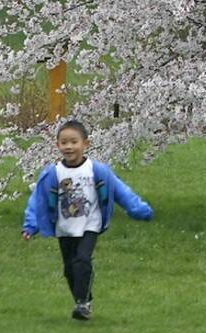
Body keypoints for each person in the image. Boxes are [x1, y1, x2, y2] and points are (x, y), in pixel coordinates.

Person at [22, 120, 154, 320]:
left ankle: (82, 304)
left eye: (74, 142)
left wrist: (139, 210)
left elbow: (120, 191)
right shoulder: (53, 173)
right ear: (57, 145)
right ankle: (84, 299)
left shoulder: (97, 171)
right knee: (69, 269)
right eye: (64, 142)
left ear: (86, 144)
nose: (69, 147)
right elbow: (37, 201)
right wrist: (30, 226)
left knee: (82, 260)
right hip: (64, 227)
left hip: (89, 224)